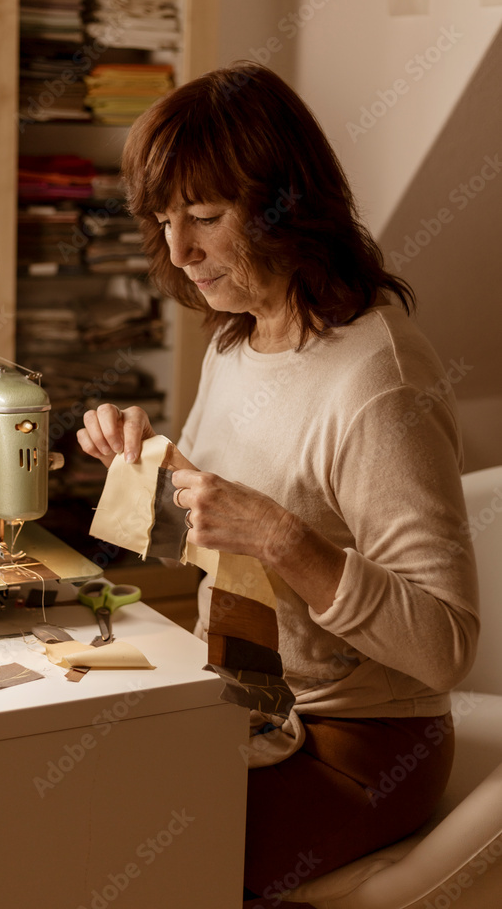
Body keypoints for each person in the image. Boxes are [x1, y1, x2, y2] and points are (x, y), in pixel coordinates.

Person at [76, 62, 479, 905]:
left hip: (360, 746)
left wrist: (287, 542)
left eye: (204, 217)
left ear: (284, 205)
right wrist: (141, 468)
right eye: (163, 220)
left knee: (112, 859)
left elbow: (444, 648)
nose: (179, 252)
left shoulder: (378, 383)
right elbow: (211, 537)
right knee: (45, 787)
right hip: (246, 703)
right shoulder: (239, 338)